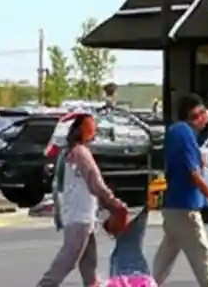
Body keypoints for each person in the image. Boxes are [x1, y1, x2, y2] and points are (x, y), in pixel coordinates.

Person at [37, 114, 128, 287]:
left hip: (78, 214)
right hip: (80, 216)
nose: (94, 130)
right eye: (89, 126)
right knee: (68, 260)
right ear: (79, 130)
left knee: (89, 264)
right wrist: (113, 202)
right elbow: (95, 183)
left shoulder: (68, 153)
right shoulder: (81, 153)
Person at [152, 93, 208, 286]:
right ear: (194, 114)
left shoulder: (177, 131)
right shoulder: (184, 133)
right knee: (202, 257)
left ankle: (146, 283)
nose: (205, 119)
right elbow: (193, 174)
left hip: (172, 206)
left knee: (164, 260)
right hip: (184, 207)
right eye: (201, 114)